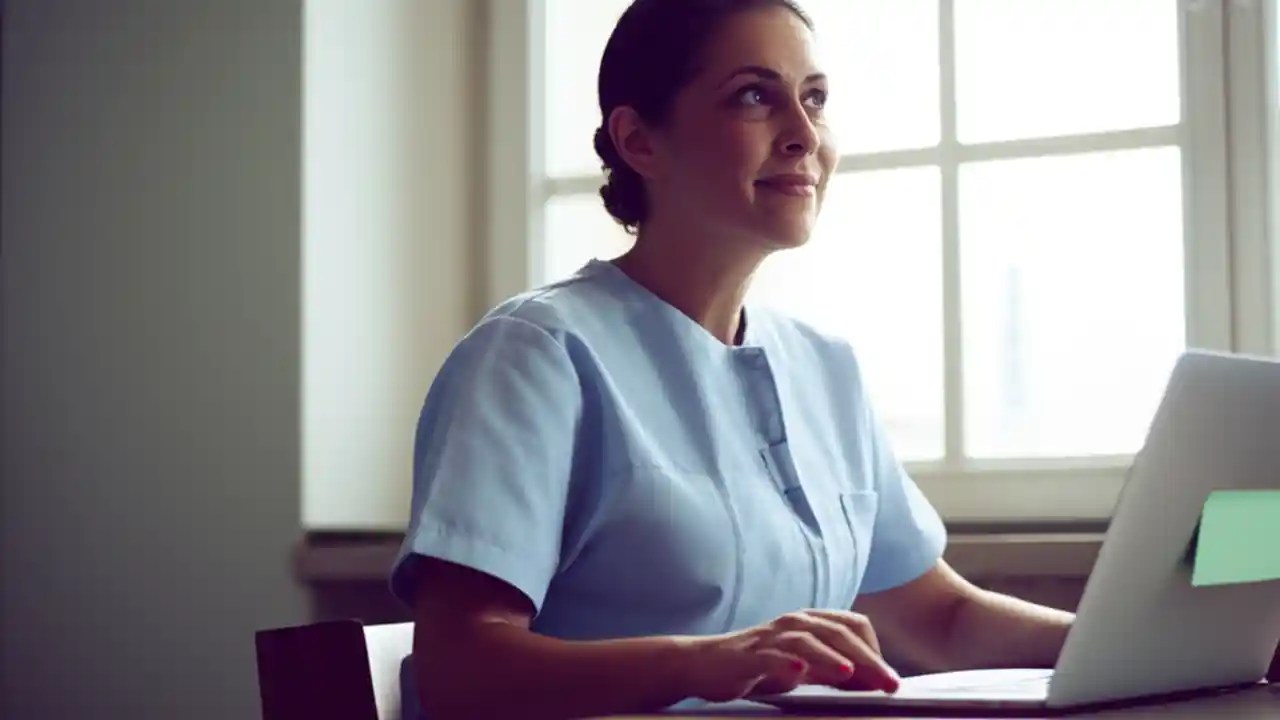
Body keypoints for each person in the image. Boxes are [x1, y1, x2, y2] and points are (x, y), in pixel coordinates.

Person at [389, 1, 1074, 717]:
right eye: (755, 96)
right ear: (640, 141)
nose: (804, 135)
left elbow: (941, 619)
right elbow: (456, 667)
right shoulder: (536, 355)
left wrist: (1128, 644)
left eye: (814, 99)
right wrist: (702, 661)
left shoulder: (827, 369)